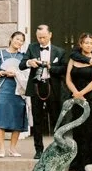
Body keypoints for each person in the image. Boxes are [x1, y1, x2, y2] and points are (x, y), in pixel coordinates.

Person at [63, 31, 92, 169]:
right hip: (76, 97)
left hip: (91, 97)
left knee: (88, 129)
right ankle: (76, 163)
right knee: (77, 129)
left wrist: (81, 93)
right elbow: (68, 78)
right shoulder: (74, 59)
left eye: (91, 43)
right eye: (86, 42)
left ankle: (87, 162)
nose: (88, 45)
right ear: (80, 44)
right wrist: (75, 92)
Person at [22, 22, 62, 156]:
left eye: (44, 37)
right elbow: (22, 64)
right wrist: (30, 62)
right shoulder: (32, 47)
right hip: (36, 86)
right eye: (39, 37)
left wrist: (51, 67)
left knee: (55, 117)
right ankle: (38, 150)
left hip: (52, 86)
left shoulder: (59, 51)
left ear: (50, 35)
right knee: (37, 118)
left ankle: (57, 148)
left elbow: (63, 69)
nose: (42, 40)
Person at [0, 30, 29, 157]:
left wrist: (18, 73)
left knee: (18, 116)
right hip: (5, 87)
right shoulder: (0, 54)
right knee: (1, 116)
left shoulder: (23, 56)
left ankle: (13, 148)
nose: (19, 42)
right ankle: (1, 148)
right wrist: (4, 72)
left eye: (21, 41)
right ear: (11, 38)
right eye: (17, 39)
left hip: (19, 89)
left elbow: (26, 72)